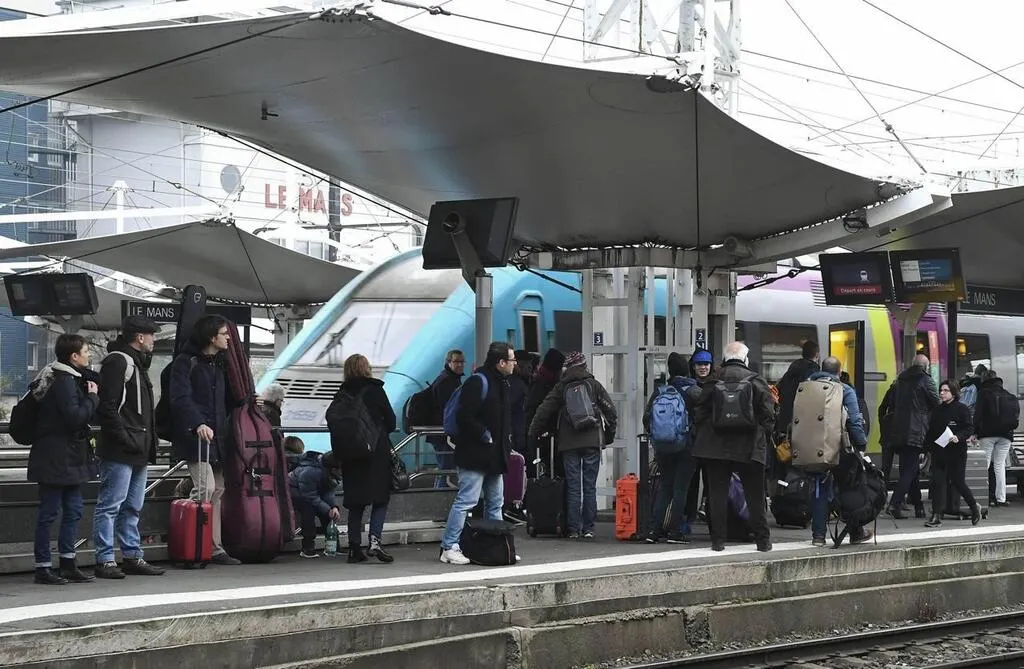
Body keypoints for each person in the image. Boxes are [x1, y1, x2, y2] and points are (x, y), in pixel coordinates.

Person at [93, 315, 165, 579]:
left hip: (138, 446)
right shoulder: (119, 361)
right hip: (122, 448)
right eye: (152, 335)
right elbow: (108, 406)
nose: (155, 339)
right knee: (111, 504)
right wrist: (125, 437)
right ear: (140, 337)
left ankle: (132, 555)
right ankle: (106, 559)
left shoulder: (136, 363)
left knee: (133, 505)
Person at [168, 315, 241, 566]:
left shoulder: (217, 364)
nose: (229, 338)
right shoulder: (187, 363)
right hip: (196, 436)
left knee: (218, 489)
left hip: (216, 436)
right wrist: (197, 422)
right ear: (212, 337)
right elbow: (180, 398)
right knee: (207, 487)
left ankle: (212, 546)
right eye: (224, 333)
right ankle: (194, 541)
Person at [28, 334, 101, 585]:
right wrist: (92, 398)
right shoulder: (64, 382)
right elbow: (74, 417)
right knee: (51, 512)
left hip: (66, 457)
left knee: (73, 510)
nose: (89, 355)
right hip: (56, 457)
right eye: (86, 351)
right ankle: (44, 567)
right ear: (74, 356)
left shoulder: (61, 378)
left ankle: (68, 562)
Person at [692, 341, 775, 552]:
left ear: (725, 358)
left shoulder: (712, 380)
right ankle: (762, 541)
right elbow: (768, 416)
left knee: (717, 495)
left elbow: (699, 413)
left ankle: (718, 541)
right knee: (754, 495)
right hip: (749, 447)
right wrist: (761, 434)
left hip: (715, 447)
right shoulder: (756, 381)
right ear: (745, 359)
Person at [439, 342, 517, 565]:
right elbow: (465, 415)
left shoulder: (503, 383)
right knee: (467, 500)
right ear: (501, 362)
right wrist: (485, 434)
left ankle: (499, 546)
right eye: (512, 360)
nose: (514, 364)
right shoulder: (479, 381)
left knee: (496, 502)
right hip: (475, 454)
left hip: (494, 455)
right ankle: (449, 546)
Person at [529, 351, 617, 540]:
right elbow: (610, 411)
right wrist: (608, 436)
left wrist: (532, 431)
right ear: (584, 365)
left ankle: (574, 529)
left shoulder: (562, 387)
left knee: (574, 486)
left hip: (569, 443)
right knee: (589, 486)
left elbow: (545, 408)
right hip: (592, 441)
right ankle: (589, 528)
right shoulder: (593, 385)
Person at [339, 353, 397, 564]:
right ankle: (374, 541)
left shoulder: (342, 393)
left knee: (356, 502)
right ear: (366, 369)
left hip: (350, 455)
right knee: (380, 498)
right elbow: (391, 421)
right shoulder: (375, 390)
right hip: (375, 453)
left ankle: (354, 548)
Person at [806, 357, 869, 547]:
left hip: (812, 446)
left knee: (819, 488)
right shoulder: (845, 389)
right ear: (839, 372)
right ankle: (856, 531)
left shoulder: (807, 387)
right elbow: (854, 421)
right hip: (840, 448)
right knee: (848, 487)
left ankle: (818, 536)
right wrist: (861, 443)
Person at [642, 352, 696, 544]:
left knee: (665, 488)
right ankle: (675, 531)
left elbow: (646, 419)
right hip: (686, 447)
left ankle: (653, 531)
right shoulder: (693, 390)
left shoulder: (660, 391)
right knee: (680, 489)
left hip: (663, 447)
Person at [880, 355, 940, 519]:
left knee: (910, 468)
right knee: (911, 469)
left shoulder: (900, 381)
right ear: (926, 367)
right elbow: (937, 404)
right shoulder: (926, 381)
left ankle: (918, 506)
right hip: (915, 430)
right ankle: (895, 503)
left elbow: (887, 406)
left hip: (898, 430)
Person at [925, 379, 980, 527]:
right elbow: (931, 432)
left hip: (956, 452)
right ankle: (936, 516)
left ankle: (974, 508)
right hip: (939, 451)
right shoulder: (937, 410)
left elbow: (969, 428)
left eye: (946, 391)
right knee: (938, 483)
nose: (942, 393)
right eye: (941, 390)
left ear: (954, 393)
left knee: (958, 482)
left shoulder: (962, 409)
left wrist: (959, 437)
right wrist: (926, 449)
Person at [974, 368, 1017, 507]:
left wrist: (974, 432)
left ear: (984, 379)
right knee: (1000, 465)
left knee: (984, 465)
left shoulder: (983, 393)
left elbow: (978, 414)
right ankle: (1001, 498)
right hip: (1006, 435)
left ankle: (981, 496)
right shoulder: (1008, 394)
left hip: (988, 434)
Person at [682, 349, 715, 528]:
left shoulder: (712, 385)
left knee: (710, 483)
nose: (702, 367)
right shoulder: (696, 386)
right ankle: (689, 518)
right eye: (699, 364)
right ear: (693, 366)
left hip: (707, 441)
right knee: (692, 483)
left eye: (705, 364)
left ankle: (709, 517)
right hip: (695, 441)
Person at [289, 450, 342, 558]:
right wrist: (328, 510)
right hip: (295, 492)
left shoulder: (328, 473)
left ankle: (333, 546)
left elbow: (328, 492)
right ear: (334, 469)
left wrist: (333, 507)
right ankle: (307, 547)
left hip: (310, 493)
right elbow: (310, 496)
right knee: (308, 510)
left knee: (327, 514)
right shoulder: (311, 472)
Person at [525, 349, 565, 478]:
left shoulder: (539, 382)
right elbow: (536, 413)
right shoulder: (545, 386)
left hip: (541, 438)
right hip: (544, 440)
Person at [428, 349, 465, 487]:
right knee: (446, 466)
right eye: (456, 362)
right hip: (443, 434)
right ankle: (439, 496)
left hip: (442, 433)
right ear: (448, 362)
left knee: (444, 466)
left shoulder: (449, 379)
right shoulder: (447, 381)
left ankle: (437, 493)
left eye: (462, 362)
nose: (460, 365)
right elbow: (449, 407)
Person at [775, 341, 820, 436]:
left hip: (784, 421)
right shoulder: (814, 372)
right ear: (817, 355)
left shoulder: (792, 369)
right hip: (801, 423)